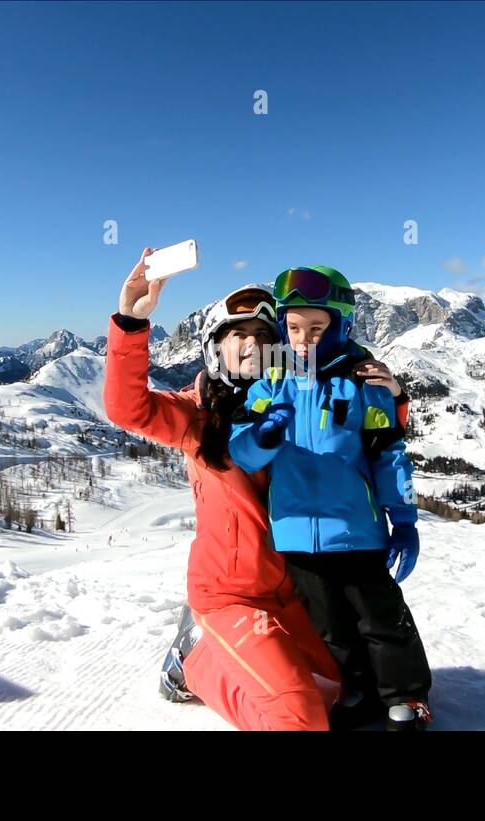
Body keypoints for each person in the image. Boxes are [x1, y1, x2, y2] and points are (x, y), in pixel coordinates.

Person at [103, 249, 345, 729]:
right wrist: (131, 320)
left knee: (346, 690)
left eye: (263, 335)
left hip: (289, 592)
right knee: (301, 717)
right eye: (239, 335)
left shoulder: (297, 404)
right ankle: (195, 663)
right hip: (229, 596)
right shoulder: (196, 415)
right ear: (216, 346)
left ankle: (217, 660)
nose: (253, 345)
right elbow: (128, 408)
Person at [229, 265, 433, 731]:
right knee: (331, 627)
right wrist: (264, 432)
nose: (304, 339)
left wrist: (403, 519)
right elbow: (243, 453)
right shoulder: (268, 384)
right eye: (294, 328)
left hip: (356, 529)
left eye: (317, 328)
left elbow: (389, 455)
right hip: (296, 533)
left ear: (341, 326)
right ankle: (357, 688)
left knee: (380, 618)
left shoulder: (364, 384)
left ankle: (407, 696)